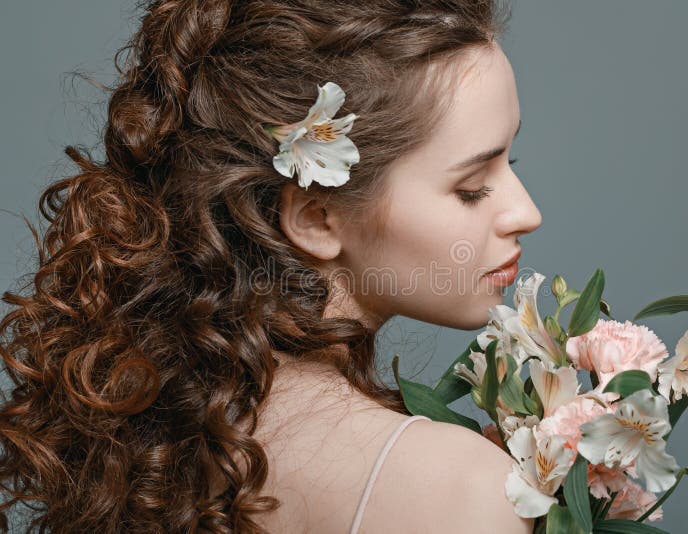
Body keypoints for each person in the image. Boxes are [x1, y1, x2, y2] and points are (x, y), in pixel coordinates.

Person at [0, 1, 542, 532]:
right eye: (471, 189)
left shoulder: (153, 436)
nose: (527, 213)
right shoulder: (457, 488)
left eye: (509, 161)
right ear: (316, 218)